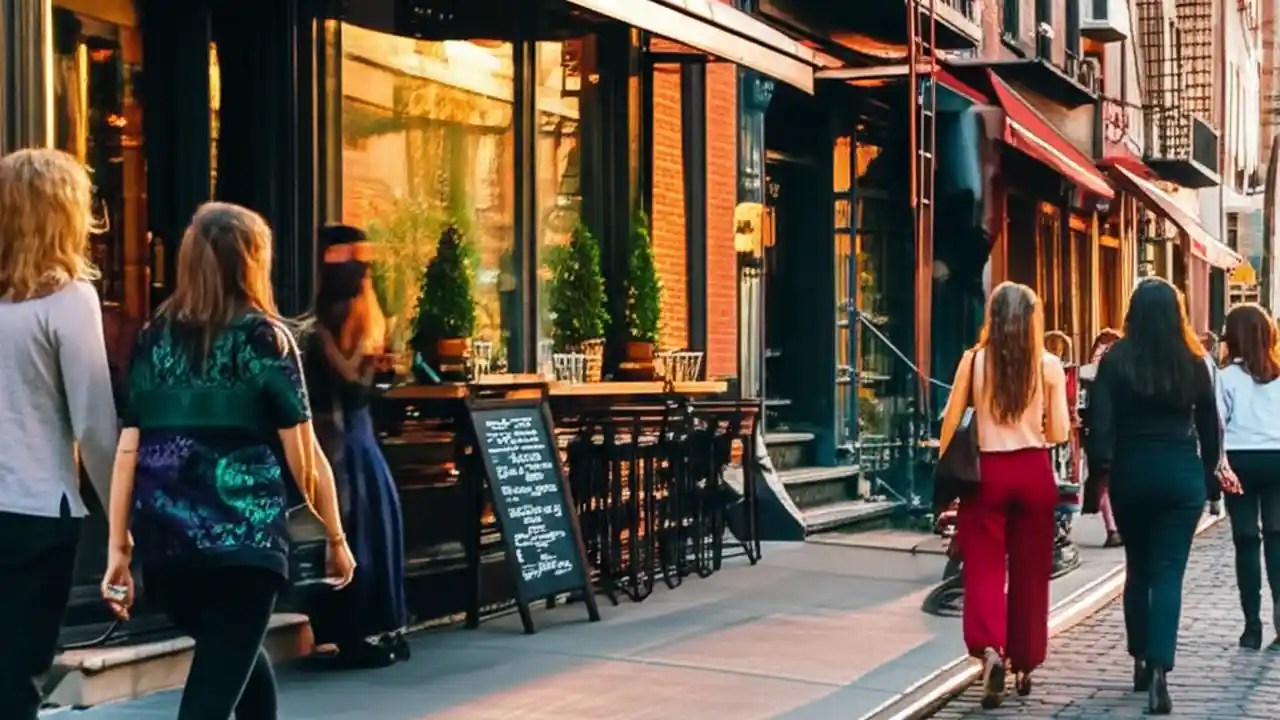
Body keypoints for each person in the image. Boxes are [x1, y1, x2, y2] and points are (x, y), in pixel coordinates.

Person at [100, 202, 357, 720]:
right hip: (245, 547)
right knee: (212, 694)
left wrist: (119, 549)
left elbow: (128, 450)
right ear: (250, 262)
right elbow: (305, 460)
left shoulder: (153, 337)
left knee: (235, 656)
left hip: (168, 553)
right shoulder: (265, 338)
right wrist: (335, 538)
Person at [0, 148, 120, 719]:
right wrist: (123, 517)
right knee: (18, 677)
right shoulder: (69, 300)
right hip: (36, 513)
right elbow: (95, 424)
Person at [1085, 277, 1220, 715]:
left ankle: (1141, 656)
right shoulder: (1192, 360)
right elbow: (1209, 425)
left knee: (1138, 569)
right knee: (1168, 574)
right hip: (1180, 473)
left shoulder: (1116, 359)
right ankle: (1161, 666)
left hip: (1133, 472)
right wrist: (1208, 475)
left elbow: (1099, 422)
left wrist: (1101, 468)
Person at [939, 282, 1071, 709]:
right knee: (1032, 572)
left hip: (987, 474)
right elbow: (1060, 432)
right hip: (1033, 470)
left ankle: (990, 648)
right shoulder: (1049, 364)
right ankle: (1025, 661)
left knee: (984, 567)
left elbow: (952, 423)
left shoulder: (973, 361)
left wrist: (946, 472)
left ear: (992, 316)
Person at [305, 224, 408, 667]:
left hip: (341, 442)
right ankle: (372, 629)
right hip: (351, 442)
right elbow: (357, 381)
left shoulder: (335, 318)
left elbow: (350, 383)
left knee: (356, 535)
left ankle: (357, 630)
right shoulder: (354, 312)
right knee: (368, 536)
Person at [1216, 304, 1280, 649]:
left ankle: (1251, 625)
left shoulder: (1224, 378)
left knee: (1246, 539)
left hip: (1240, 460)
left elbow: (1217, 426)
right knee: (1276, 536)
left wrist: (1218, 467)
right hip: (1277, 459)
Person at [1080, 329, 1123, 547]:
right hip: (1105, 437)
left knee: (1109, 483)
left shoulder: (1102, 378)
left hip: (1107, 437)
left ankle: (1115, 527)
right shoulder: (1092, 378)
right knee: (1106, 482)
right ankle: (1113, 527)